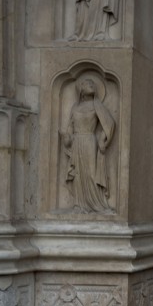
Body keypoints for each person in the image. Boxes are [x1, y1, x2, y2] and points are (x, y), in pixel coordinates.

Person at [62, 76, 115, 213]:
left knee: (91, 173)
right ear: (81, 89)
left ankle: (97, 205)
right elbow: (70, 127)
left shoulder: (97, 105)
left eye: (92, 83)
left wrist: (103, 139)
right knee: (78, 174)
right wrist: (67, 137)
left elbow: (109, 123)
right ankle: (79, 205)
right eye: (87, 83)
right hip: (76, 142)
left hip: (89, 141)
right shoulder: (75, 107)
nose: (91, 84)